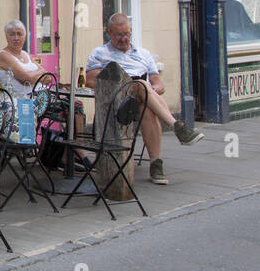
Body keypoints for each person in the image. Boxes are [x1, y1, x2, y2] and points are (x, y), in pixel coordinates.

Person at [85, 13, 203, 185]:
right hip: (115, 102)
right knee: (140, 83)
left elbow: (158, 83)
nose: (124, 38)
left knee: (147, 106)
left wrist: (153, 89)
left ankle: (156, 164)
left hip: (139, 102)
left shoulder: (143, 54)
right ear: (109, 33)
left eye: (126, 34)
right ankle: (176, 126)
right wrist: (120, 84)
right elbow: (90, 81)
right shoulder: (100, 54)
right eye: (119, 35)